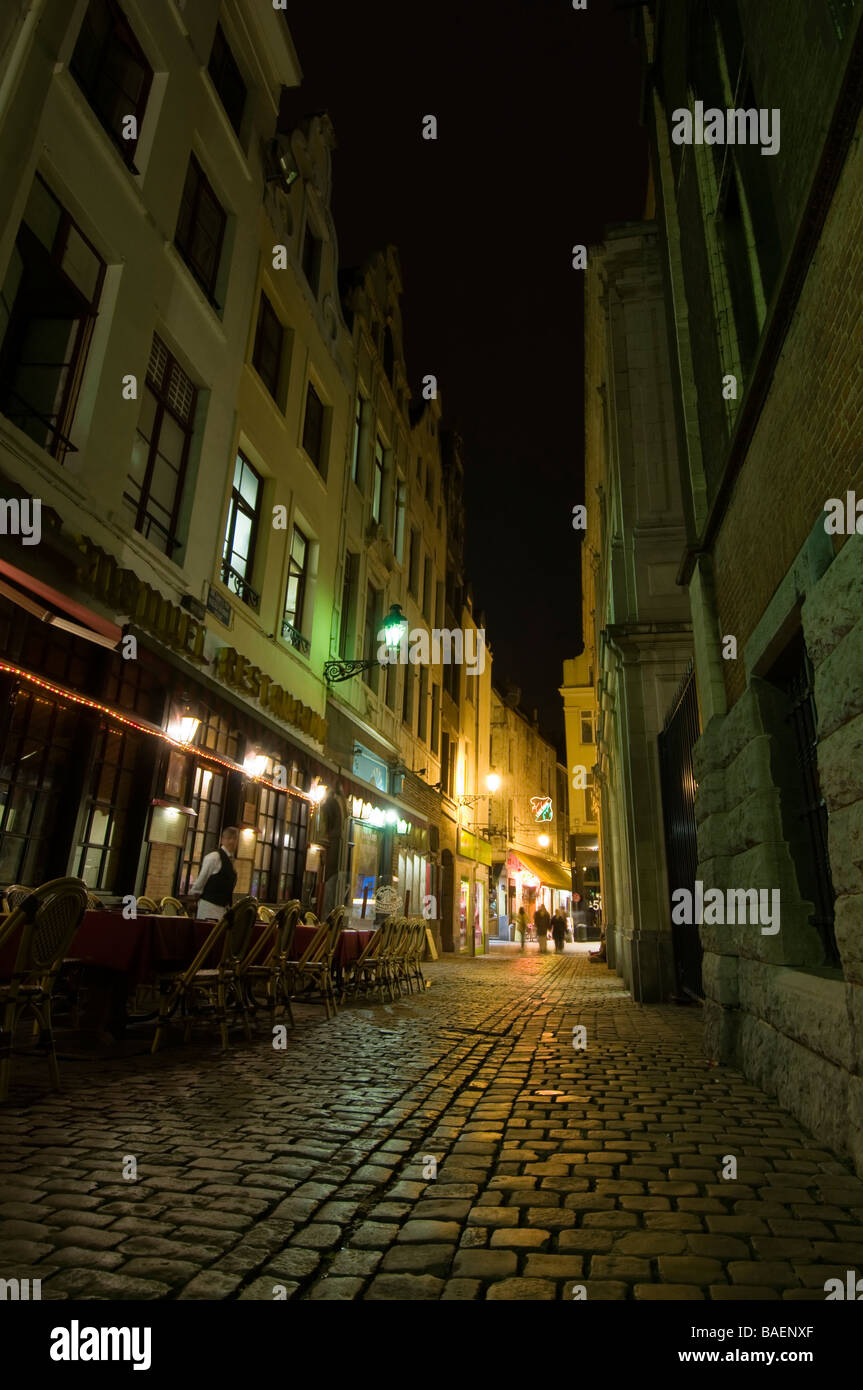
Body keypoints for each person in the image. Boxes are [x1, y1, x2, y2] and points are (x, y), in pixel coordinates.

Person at [190, 826, 239, 920]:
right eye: (229, 838)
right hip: (209, 906)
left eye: (234, 839)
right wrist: (193, 895)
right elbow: (201, 880)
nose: (232, 842)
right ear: (222, 840)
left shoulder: (231, 860)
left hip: (223, 909)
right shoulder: (214, 857)